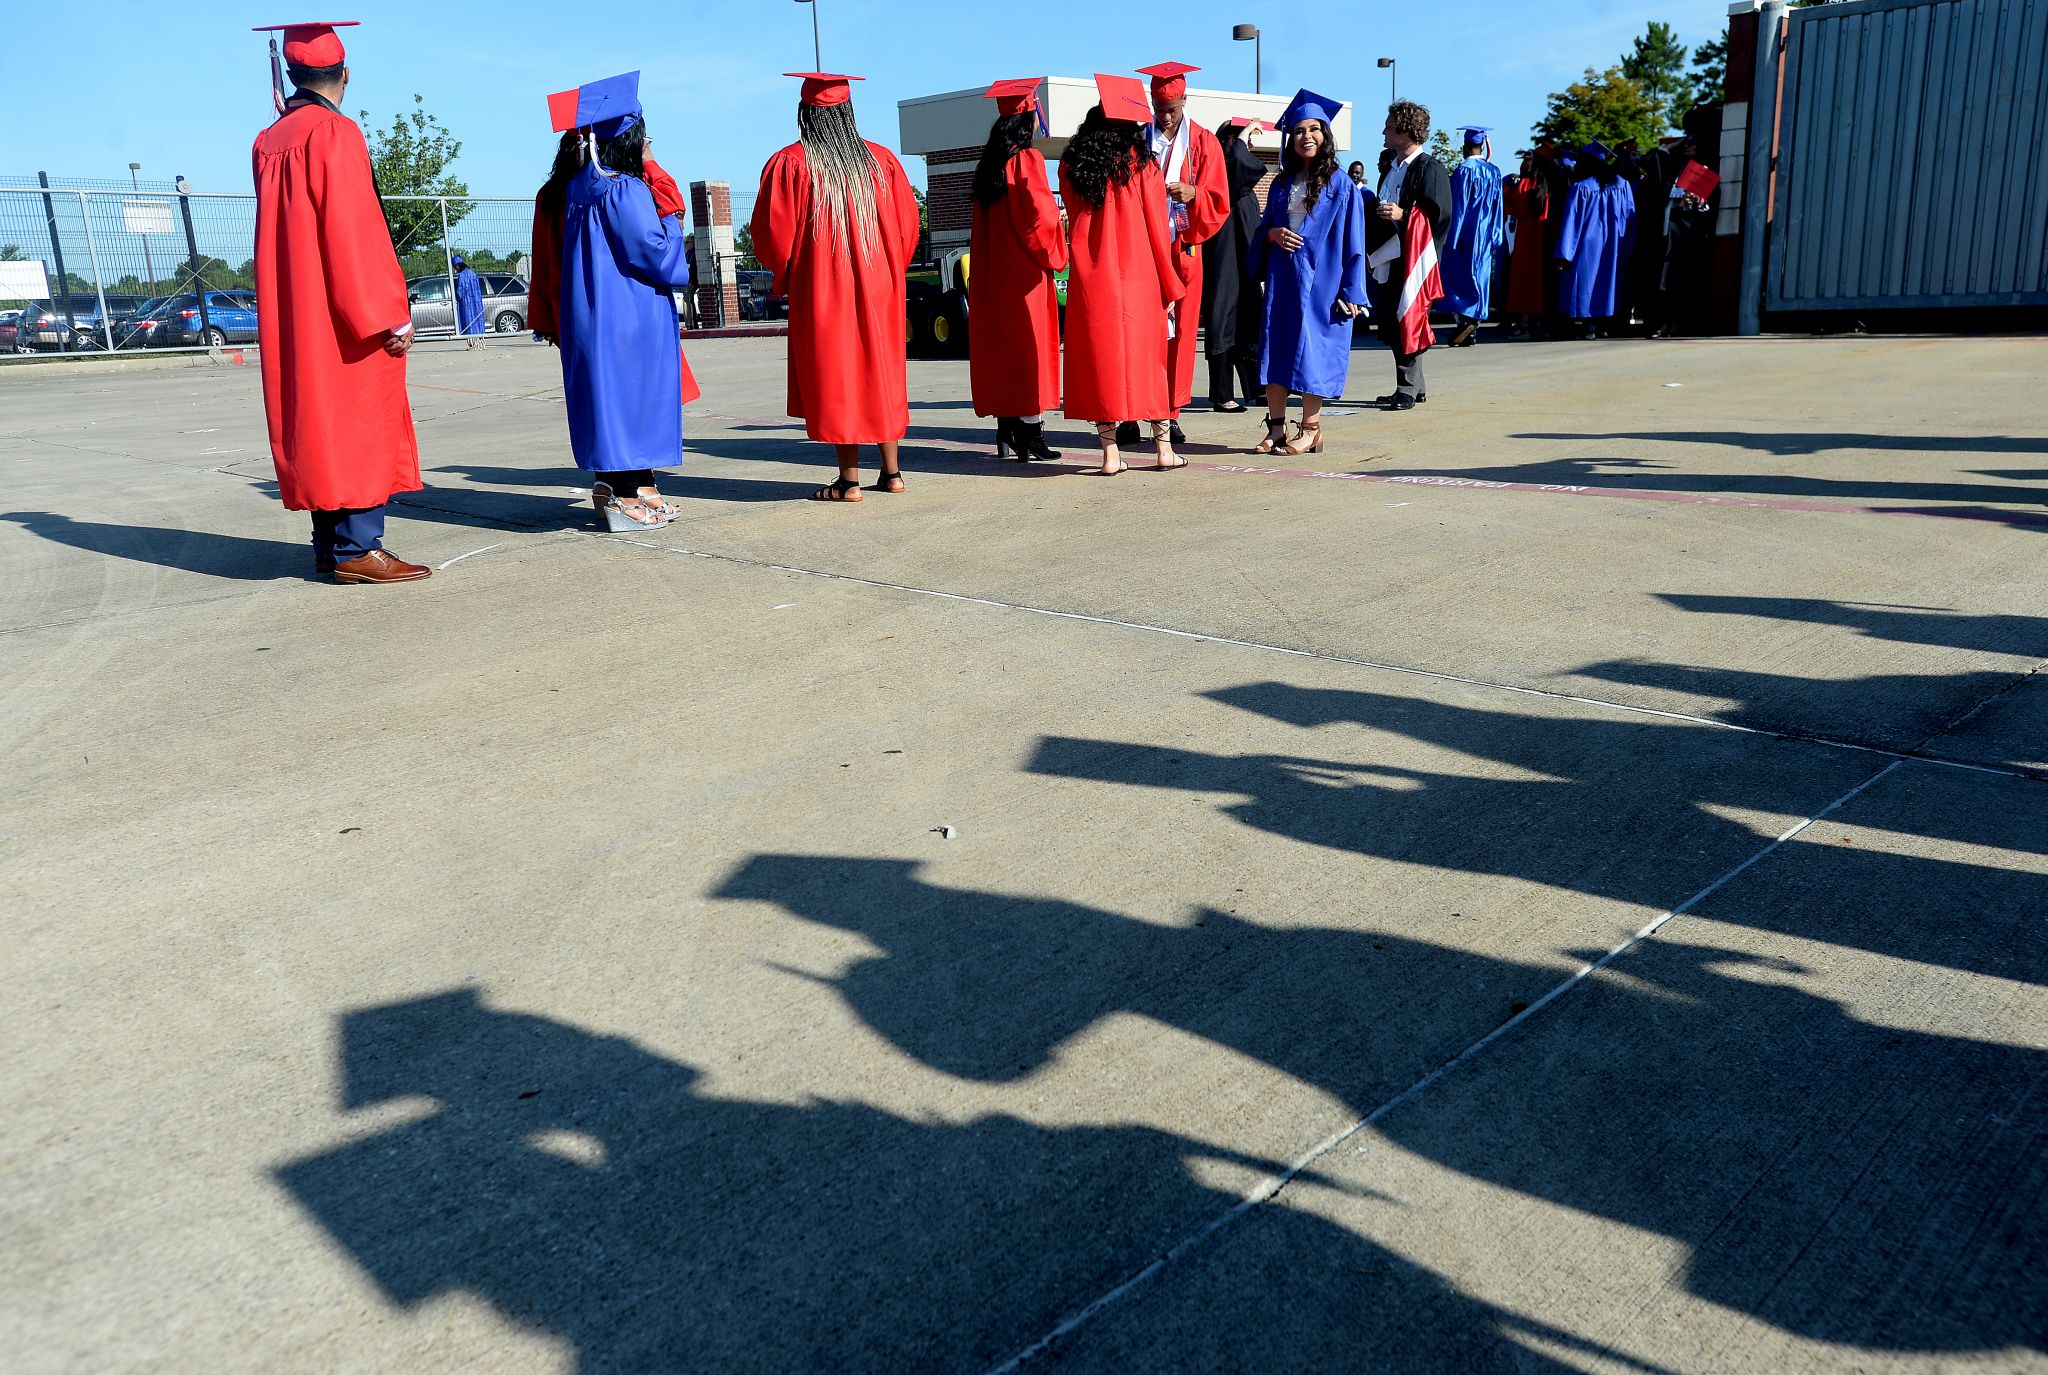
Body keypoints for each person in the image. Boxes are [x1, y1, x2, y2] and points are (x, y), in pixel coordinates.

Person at [249, 20, 427, 584]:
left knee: (318, 420)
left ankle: (327, 543)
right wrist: (387, 312)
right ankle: (358, 546)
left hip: (295, 306)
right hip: (340, 308)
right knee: (356, 418)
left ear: (293, 74)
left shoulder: (268, 141)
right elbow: (354, 232)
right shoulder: (336, 134)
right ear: (345, 74)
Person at [751, 72, 921, 503]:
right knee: (880, 371)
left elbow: (773, 237)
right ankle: (893, 472)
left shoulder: (792, 163)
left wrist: (788, 270)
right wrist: (887, 271)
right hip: (880, 285)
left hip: (825, 287)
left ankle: (848, 481)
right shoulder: (881, 162)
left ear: (806, 115)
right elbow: (907, 229)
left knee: (841, 373)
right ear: (848, 112)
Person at [549, 71, 695, 531]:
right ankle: (627, 500)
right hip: (629, 314)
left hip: (590, 313)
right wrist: (672, 227)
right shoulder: (623, 189)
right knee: (633, 400)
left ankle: (618, 489)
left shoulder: (578, 189)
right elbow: (654, 252)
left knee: (607, 402)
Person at [1059, 73, 1185, 475]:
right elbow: (1155, 226)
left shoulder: (1071, 167)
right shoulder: (1143, 166)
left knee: (1103, 364)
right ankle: (1164, 450)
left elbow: (1074, 216)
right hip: (1138, 277)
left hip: (1093, 277)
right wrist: (1169, 281)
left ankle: (1111, 456)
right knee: (1150, 364)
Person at [1112, 62, 1226, 449]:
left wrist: (1196, 195)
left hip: (1182, 249)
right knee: (1136, 331)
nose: (1164, 117)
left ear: (1184, 101)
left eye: (1171, 109)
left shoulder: (1204, 142)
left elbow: (1219, 200)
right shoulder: (1135, 140)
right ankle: (1129, 413)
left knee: (1178, 339)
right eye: (1158, 108)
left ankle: (1170, 413)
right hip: (1140, 251)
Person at [1247, 89, 1367, 456]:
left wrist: (1352, 290)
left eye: (1315, 129)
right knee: (1277, 348)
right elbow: (1263, 227)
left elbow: (1354, 241)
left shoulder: (1341, 184)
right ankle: (1277, 427)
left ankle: (1311, 428)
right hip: (1284, 277)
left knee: (1313, 351)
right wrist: (1270, 234)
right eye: (1299, 130)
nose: (1307, 136)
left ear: (1326, 135)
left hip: (1323, 280)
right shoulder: (1281, 184)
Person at [968, 78, 1066, 462]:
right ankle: (1031, 435)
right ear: (1029, 120)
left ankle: (1005, 431)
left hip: (993, 276)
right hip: (1024, 276)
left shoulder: (987, 165)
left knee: (1004, 354)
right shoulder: (1026, 160)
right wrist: (1059, 236)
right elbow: (1037, 221)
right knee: (1030, 353)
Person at [1365, 99, 1451, 410]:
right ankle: (1416, 386)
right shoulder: (1392, 168)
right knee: (1393, 318)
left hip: (1414, 259)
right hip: (1391, 254)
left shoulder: (1430, 168)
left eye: (1389, 127)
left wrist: (1405, 214)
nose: (1383, 132)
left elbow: (1440, 215)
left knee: (1408, 318)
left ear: (1405, 131)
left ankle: (1407, 386)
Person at [1202, 116, 1269, 413]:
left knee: (1251, 319)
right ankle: (1221, 393)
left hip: (1246, 260)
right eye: (1244, 142)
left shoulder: (1241, 183)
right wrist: (1241, 137)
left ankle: (1256, 388)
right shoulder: (1219, 173)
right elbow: (1235, 165)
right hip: (1223, 258)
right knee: (1223, 319)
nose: (1248, 147)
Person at [1555, 139, 1636, 338]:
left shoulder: (1581, 188)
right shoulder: (1623, 185)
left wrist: (1564, 253)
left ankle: (1589, 325)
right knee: (1608, 280)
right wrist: (1628, 244)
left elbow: (1571, 222)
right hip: (1614, 244)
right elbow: (1630, 216)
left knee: (1587, 280)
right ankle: (1603, 325)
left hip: (1587, 244)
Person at [1439, 126, 1503, 347]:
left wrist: (1452, 237)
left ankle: (1464, 320)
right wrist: (1496, 235)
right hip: (1485, 236)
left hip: (1464, 234)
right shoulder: (1494, 172)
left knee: (1458, 277)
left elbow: (1458, 207)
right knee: (1480, 278)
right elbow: (1498, 207)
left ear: (1465, 147)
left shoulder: (1462, 171)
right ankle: (1472, 327)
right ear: (1483, 146)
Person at [1501, 148, 1550, 336]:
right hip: (1540, 239)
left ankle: (1524, 322)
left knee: (1522, 281)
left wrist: (1507, 188)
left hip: (1524, 239)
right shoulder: (1545, 187)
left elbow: (1515, 210)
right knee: (1536, 282)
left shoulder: (1525, 185)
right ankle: (1535, 321)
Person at [452, 253, 485, 347]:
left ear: (458, 266)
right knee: (477, 320)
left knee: (469, 322)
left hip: (467, 303)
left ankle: (473, 344)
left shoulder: (462, 276)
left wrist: (457, 297)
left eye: (455, 267)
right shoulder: (472, 273)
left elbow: (461, 290)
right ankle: (480, 342)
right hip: (476, 301)